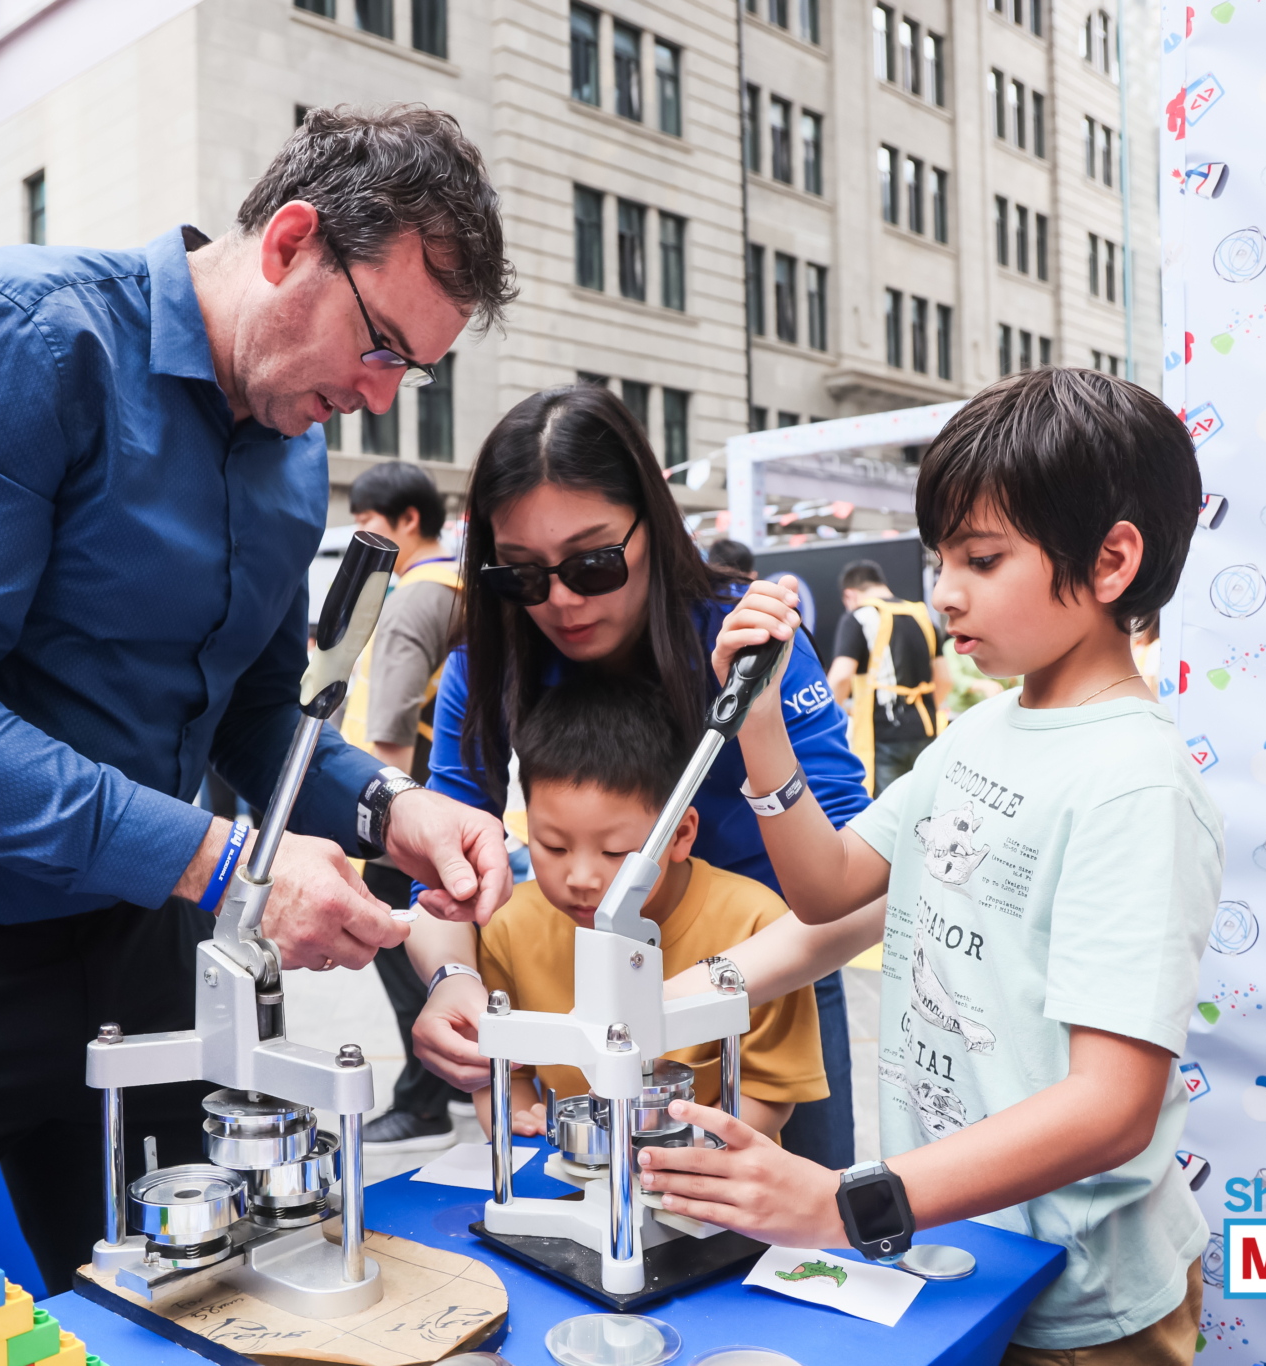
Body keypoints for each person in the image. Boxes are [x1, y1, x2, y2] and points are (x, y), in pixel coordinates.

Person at [0, 105, 520, 1294]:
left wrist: (387, 808)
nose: (377, 400)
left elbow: (253, 716)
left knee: (197, 1304)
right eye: (378, 347)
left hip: (138, 947)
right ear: (290, 244)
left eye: (409, 370)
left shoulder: (288, 451)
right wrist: (226, 865)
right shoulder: (21, 340)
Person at [640, 369, 1222, 1365]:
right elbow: (829, 888)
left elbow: (1112, 1105)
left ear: (1111, 560)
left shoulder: (1134, 784)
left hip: (1080, 1307)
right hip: (954, 1249)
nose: (944, 590)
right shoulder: (982, 732)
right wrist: (761, 727)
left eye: (981, 558)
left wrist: (840, 1203)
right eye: (939, 558)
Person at [403, 383, 870, 1170]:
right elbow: (445, 869)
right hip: (583, 978)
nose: (559, 601)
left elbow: (864, 884)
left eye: (592, 563)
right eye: (521, 574)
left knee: (789, 1219)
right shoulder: (488, 662)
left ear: (652, 522)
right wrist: (453, 979)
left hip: (773, 973)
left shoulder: (747, 640)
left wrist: (703, 987)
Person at [477, 674, 826, 1141]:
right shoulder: (508, 926)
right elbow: (503, 1077)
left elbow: (767, 1091)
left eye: (614, 851)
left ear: (680, 834)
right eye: (553, 846)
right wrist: (525, 1124)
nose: (580, 878)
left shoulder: (758, 928)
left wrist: (684, 1153)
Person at [340, 460, 474, 1153]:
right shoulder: (460, 587)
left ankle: (424, 1102)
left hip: (404, 817)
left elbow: (389, 727)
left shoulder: (414, 598)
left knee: (406, 957)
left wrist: (379, 827)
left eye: (367, 521)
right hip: (452, 803)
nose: (360, 535)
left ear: (408, 520)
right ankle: (458, 1083)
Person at [826, 559, 950, 794]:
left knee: (887, 810)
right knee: (923, 803)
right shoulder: (922, 616)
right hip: (926, 729)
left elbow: (840, 677)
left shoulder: (858, 617)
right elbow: (944, 679)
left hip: (882, 735)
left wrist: (828, 722)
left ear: (850, 595)